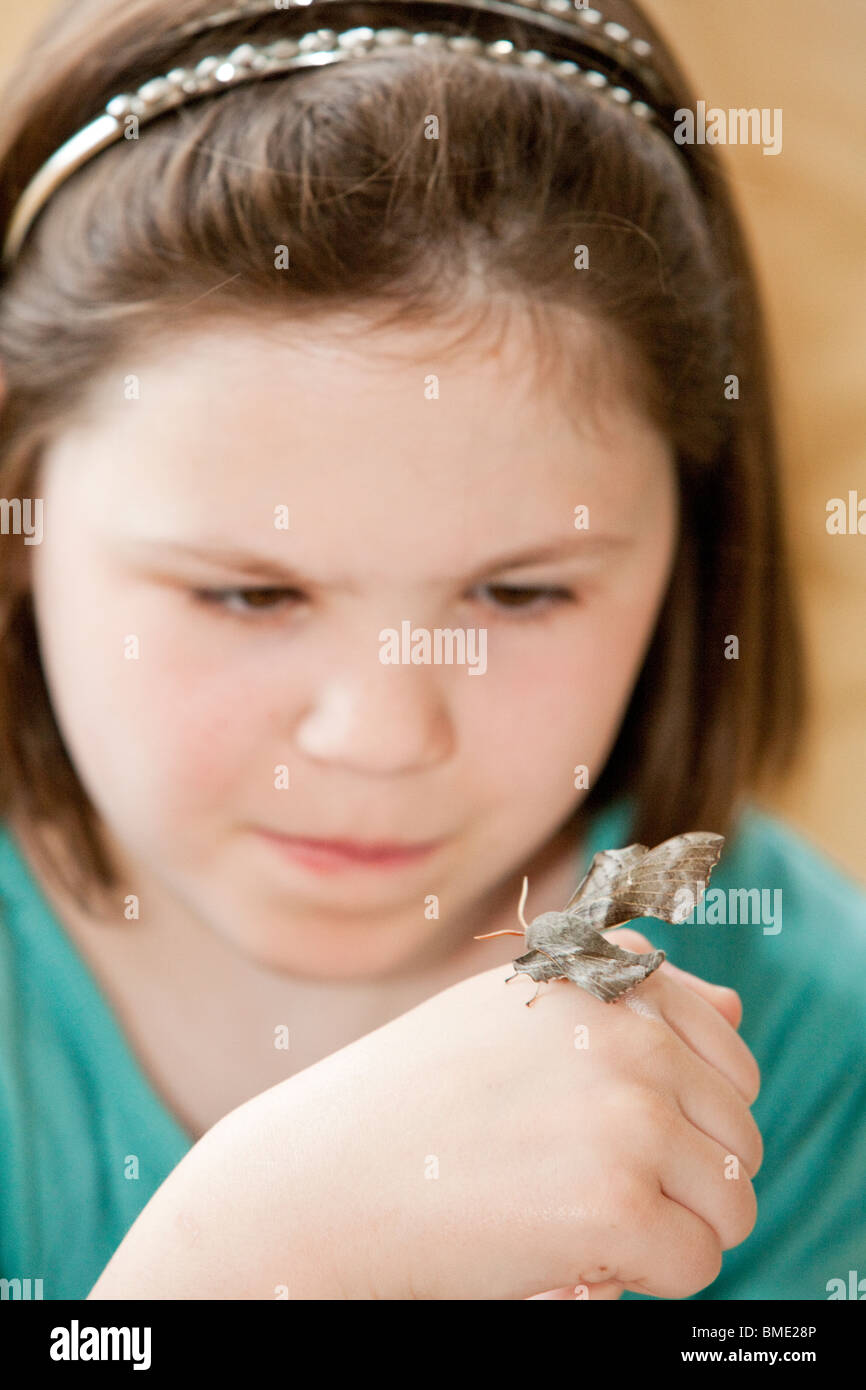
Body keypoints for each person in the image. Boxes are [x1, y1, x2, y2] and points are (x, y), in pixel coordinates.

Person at [0, 0, 862, 1302]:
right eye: (246, 594)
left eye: (518, 592)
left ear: (684, 551)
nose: (384, 732)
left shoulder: (812, 1045)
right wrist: (250, 1260)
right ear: (22, 521)